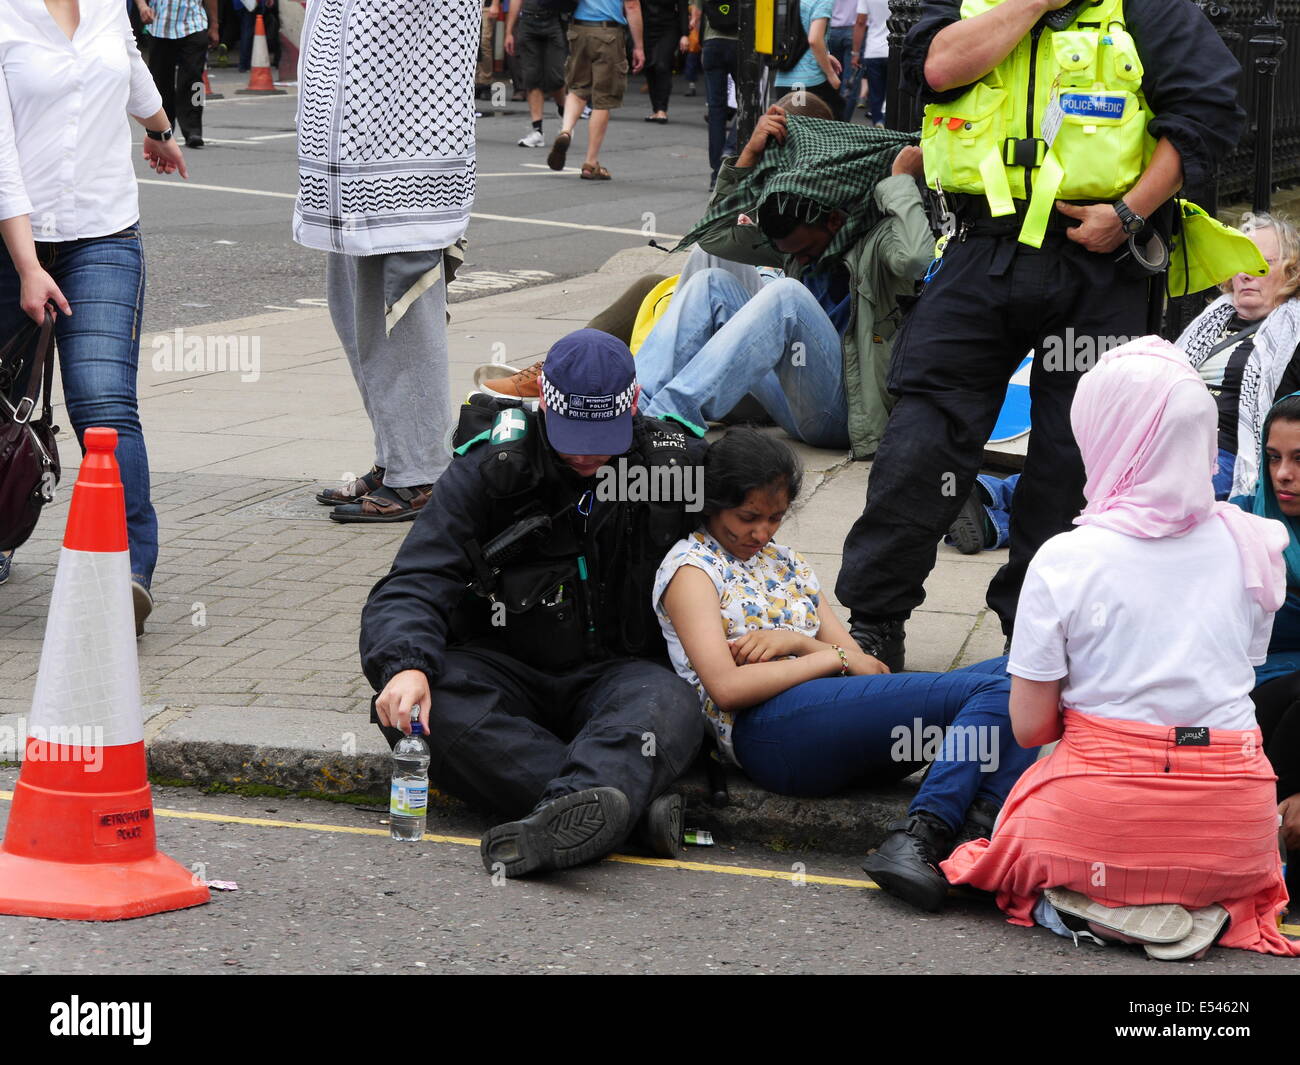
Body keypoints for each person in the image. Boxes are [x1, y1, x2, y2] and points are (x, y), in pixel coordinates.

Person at [837, 0, 1245, 673]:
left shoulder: (1146, 6)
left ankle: (1035, 641)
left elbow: (1208, 110)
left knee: (1072, 460)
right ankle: (874, 622)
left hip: (1101, 261)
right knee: (920, 441)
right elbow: (934, 67)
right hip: (981, 247)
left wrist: (1129, 211)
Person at [942, 338, 1300, 959]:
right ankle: (1201, 899)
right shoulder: (1255, 543)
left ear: (1103, 434)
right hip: (1239, 823)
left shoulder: (1065, 559)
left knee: (1008, 852)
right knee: (1202, 854)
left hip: (1097, 812)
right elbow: (1235, 675)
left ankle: (1084, 910)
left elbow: (1029, 728)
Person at [361, 329, 706, 878]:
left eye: (604, 436)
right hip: (503, 666)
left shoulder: (676, 464)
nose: (589, 453)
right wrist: (404, 665)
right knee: (416, 709)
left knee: (671, 703)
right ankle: (619, 810)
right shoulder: (488, 465)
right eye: (573, 436)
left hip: (623, 671)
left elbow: (750, 541)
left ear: (635, 404)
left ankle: (573, 811)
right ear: (543, 399)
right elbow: (417, 578)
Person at [654, 428, 1037, 911]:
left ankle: (974, 839)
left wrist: (799, 643)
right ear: (710, 505)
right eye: (747, 517)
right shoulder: (693, 570)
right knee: (997, 693)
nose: (761, 533)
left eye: (774, 518)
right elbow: (728, 688)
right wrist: (826, 657)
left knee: (1025, 672)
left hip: (835, 719)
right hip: (768, 733)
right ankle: (924, 835)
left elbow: (870, 674)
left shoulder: (785, 564)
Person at [0, 0, 189, 635]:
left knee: (105, 404)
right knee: (3, 402)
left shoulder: (108, 4)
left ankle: (128, 572)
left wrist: (160, 129)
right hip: (8, 245)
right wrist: (28, 265)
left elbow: (130, 65)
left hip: (103, 234)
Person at [636, 108, 932, 455]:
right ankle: (633, 412)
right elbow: (714, 236)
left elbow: (917, 260)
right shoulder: (797, 245)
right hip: (792, 397)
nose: (800, 260)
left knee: (786, 295)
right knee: (710, 280)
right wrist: (748, 157)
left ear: (835, 220)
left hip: (843, 415)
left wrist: (901, 182)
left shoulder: (877, 239)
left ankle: (670, 420)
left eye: (805, 252)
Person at [294, 0, 476, 522]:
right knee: (361, 323)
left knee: (403, 324)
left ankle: (421, 474)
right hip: (352, 163)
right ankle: (398, 459)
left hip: (402, 156)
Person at [1181, 212, 1300, 502]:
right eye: (1239, 262)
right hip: (1171, 445)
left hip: (1224, 456)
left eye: (1260, 264)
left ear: (1292, 271)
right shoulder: (1209, 320)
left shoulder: (1293, 335)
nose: (1245, 273)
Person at [546, 0, 645, 180]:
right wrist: (639, 46)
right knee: (603, 98)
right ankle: (590, 163)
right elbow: (632, 6)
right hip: (608, 33)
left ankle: (566, 130)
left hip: (578, 30)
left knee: (577, 89)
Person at [136, 0, 218, 148]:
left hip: (194, 24)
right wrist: (142, 6)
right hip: (160, 25)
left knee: (195, 82)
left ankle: (194, 129)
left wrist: (214, 25)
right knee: (160, 82)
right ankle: (163, 128)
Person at [506, 0, 569, 147]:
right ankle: (537, 131)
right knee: (531, 77)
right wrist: (509, 32)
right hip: (528, 21)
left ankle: (564, 114)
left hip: (554, 21)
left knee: (556, 77)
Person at [690, 0, 738, 188]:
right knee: (750, 104)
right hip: (740, 44)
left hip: (712, 43)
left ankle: (716, 174)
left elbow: (696, 14)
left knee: (716, 110)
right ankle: (730, 148)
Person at [772, 0, 841, 120]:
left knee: (789, 134)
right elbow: (814, 39)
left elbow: (796, 33)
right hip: (810, 81)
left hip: (783, 79)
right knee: (827, 131)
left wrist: (824, 56)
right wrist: (831, 75)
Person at [641, 0, 688, 123]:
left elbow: (683, 8)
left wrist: (685, 34)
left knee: (662, 65)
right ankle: (656, 109)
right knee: (650, 67)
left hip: (669, 28)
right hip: (646, 28)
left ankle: (662, 109)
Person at [850, 0, 888, 126]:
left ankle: (878, 120)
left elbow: (860, 22)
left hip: (874, 49)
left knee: (876, 92)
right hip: (896, 48)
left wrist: (855, 53)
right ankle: (889, 121)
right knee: (894, 91)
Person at [826, 0, 860, 121]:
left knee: (832, 78)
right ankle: (843, 122)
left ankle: (832, 118)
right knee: (850, 81)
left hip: (831, 29)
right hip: (853, 29)